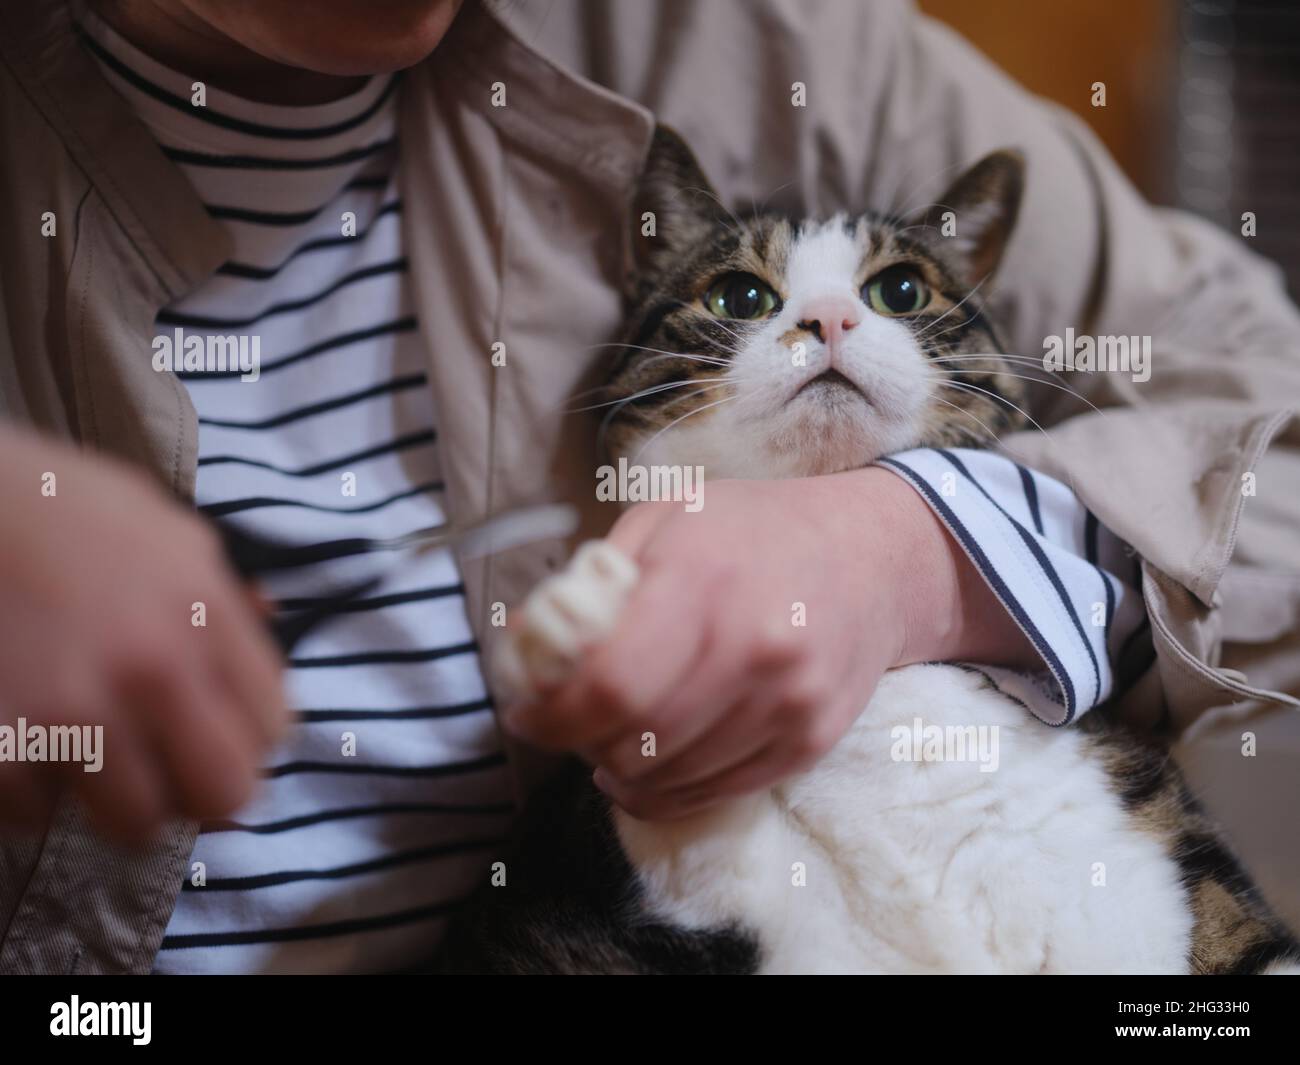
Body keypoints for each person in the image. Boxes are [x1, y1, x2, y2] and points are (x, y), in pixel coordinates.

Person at [0, 0, 1296, 974]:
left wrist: (926, 552)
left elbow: (1267, 395)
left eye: (894, 295)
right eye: (747, 294)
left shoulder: (771, 38)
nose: (833, 326)